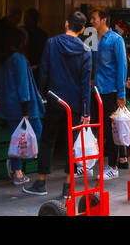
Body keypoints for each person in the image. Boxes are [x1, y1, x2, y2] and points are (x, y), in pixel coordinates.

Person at [25, 11, 93, 197]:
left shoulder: (51, 44)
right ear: (82, 29)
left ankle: (41, 182)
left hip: (55, 100)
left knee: (48, 140)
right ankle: (68, 187)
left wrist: (43, 92)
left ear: (66, 24)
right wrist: (86, 110)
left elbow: (44, 71)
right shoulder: (86, 51)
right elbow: (85, 84)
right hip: (76, 105)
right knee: (72, 143)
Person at [0, 27, 43, 185]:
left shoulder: (3, 58)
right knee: (37, 133)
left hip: (8, 105)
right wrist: (26, 109)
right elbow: (23, 85)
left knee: (17, 139)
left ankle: (17, 170)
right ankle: (20, 169)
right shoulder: (19, 59)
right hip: (22, 106)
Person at [89, 8, 127, 178]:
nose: (91, 21)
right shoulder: (93, 39)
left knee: (111, 131)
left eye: (94, 18)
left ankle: (113, 167)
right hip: (95, 91)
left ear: (103, 20)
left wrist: (121, 94)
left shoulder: (116, 40)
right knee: (96, 129)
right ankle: (90, 164)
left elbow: (122, 68)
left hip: (110, 92)